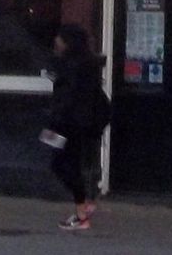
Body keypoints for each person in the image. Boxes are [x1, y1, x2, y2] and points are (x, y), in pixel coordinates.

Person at [45, 23, 110, 232]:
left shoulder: (71, 66)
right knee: (75, 163)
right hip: (82, 124)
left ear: (67, 41)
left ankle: (81, 214)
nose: (56, 40)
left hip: (67, 124)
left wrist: (52, 125)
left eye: (60, 37)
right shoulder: (88, 63)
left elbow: (67, 98)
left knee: (61, 164)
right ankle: (87, 203)